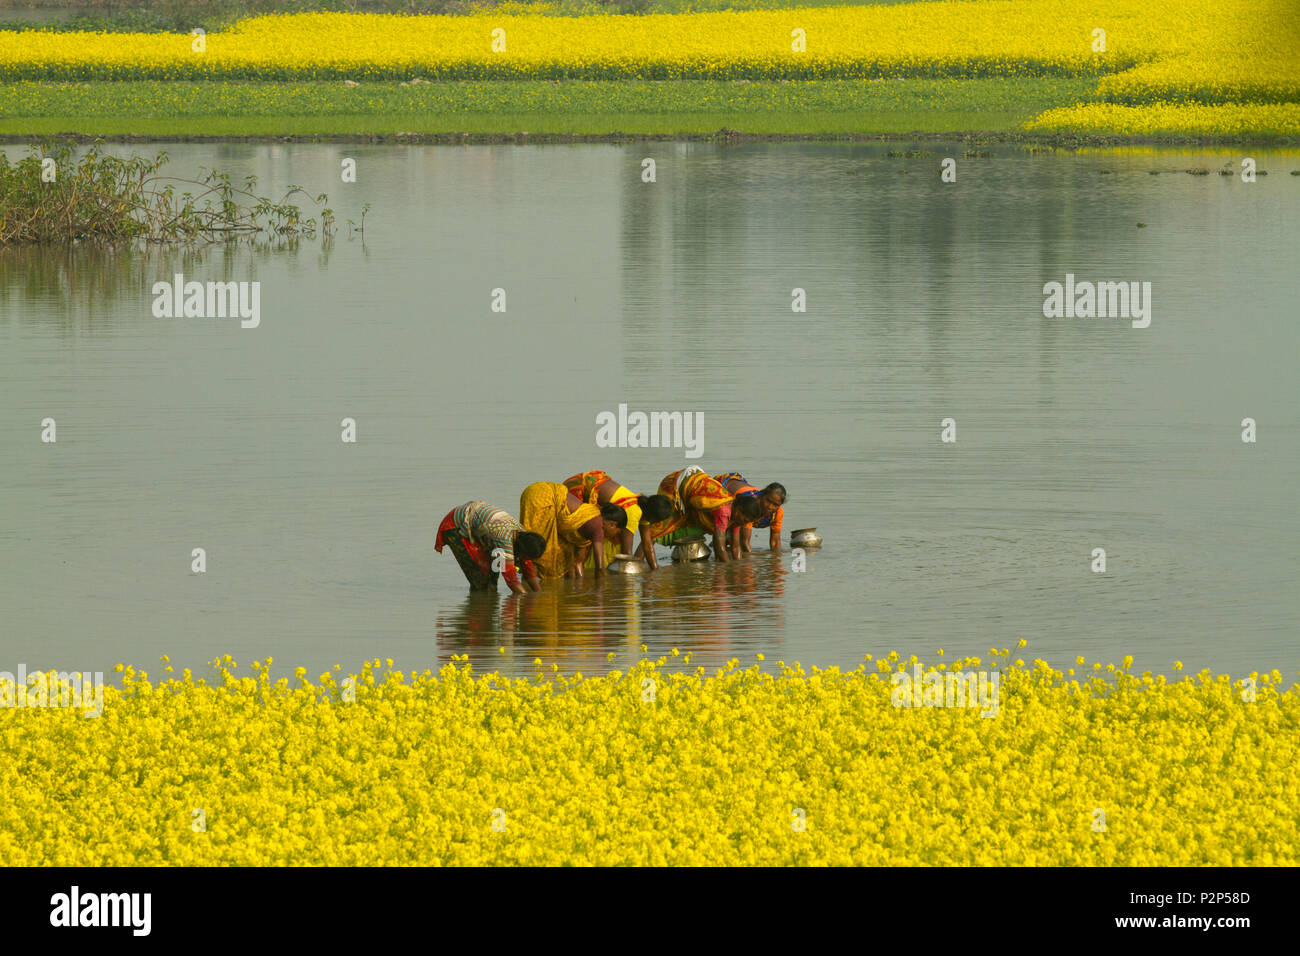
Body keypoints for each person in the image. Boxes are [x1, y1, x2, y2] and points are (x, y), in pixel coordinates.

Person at [562, 470, 675, 570]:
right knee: (597, 540)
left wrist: (655, 571)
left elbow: (647, 545)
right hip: (577, 491)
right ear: (653, 517)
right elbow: (626, 553)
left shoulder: (644, 510)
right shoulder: (633, 512)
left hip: (590, 482)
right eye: (657, 521)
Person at [647, 467, 758, 564]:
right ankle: (641, 560)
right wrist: (726, 567)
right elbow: (719, 548)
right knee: (656, 529)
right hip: (675, 486)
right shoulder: (724, 511)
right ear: (739, 510)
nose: (744, 523)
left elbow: (735, 546)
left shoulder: (736, 518)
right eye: (745, 520)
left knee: (687, 525)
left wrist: (738, 566)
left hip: (692, 495)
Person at [436, 501, 546, 594]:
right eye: (525, 557)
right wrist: (526, 598)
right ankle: (479, 611)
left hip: (478, 524)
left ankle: (487, 609)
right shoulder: (504, 540)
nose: (524, 560)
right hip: (455, 526)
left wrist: (538, 594)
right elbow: (511, 579)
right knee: (481, 579)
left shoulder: (523, 536)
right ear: (521, 551)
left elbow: (528, 569)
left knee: (492, 574)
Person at [520, 481, 624, 579]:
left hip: (540, 492)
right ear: (612, 525)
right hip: (542, 497)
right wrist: (600, 590)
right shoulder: (598, 527)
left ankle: (533, 583)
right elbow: (600, 568)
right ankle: (528, 584)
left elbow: (577, 563)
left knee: (563, 554)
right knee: (535, 548)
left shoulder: (585, 530)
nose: (613, 537)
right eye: (616, 533)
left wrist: (579, 587)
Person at [715, 474, 787, 555]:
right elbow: (744, 543)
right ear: (762, 495)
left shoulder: (778, 513)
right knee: (725, 534)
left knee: (730, 541)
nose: (770, 507)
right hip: (724, 485)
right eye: (768, 501)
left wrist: (775, 560)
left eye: (775, 505)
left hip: (742, 488)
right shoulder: (751, 506)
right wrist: (751, 563)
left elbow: (775, 542)